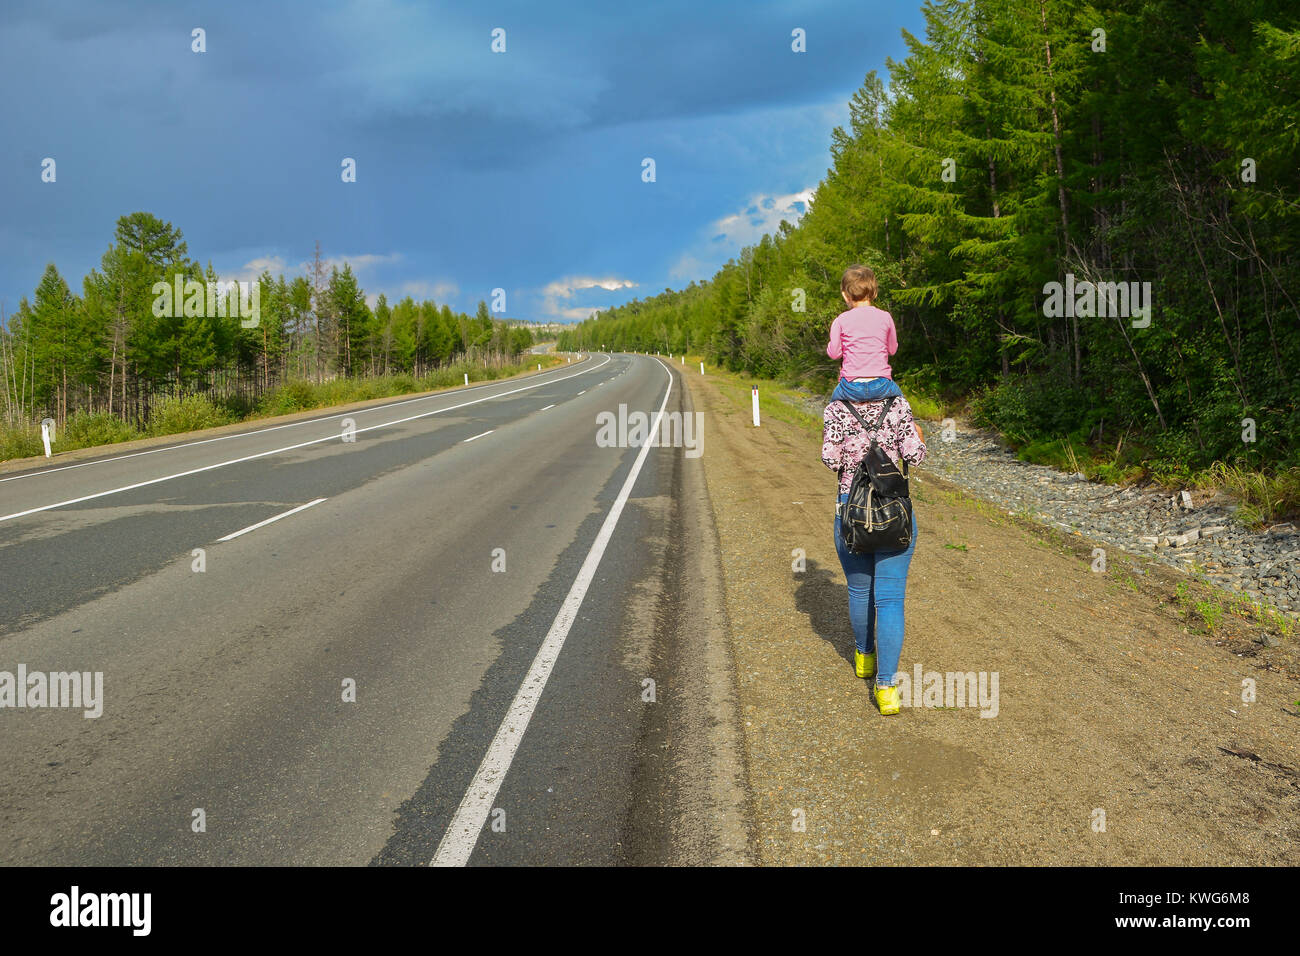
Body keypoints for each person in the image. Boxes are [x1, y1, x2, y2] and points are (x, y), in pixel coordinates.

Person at [821, 389, 927, 715]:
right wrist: (918, 437)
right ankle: (887, 690)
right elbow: (914, 456)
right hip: (893, 514)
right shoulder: (898, 405)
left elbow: (831, 459)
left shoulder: (837, 408)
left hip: (851, 514)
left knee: (859, 591)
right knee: (891, 600)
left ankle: (864, 659)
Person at [826, 264, 903, 405]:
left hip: (851, 387)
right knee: (903, 406)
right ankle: (906, 425)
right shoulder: (886, 317)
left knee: (832, 408)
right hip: (882, 385)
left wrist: (831, 346)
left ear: (845, 295)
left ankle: (833, 426)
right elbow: (892, 350)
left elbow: (834, 354)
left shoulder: (840, 320)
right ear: (875, 293)